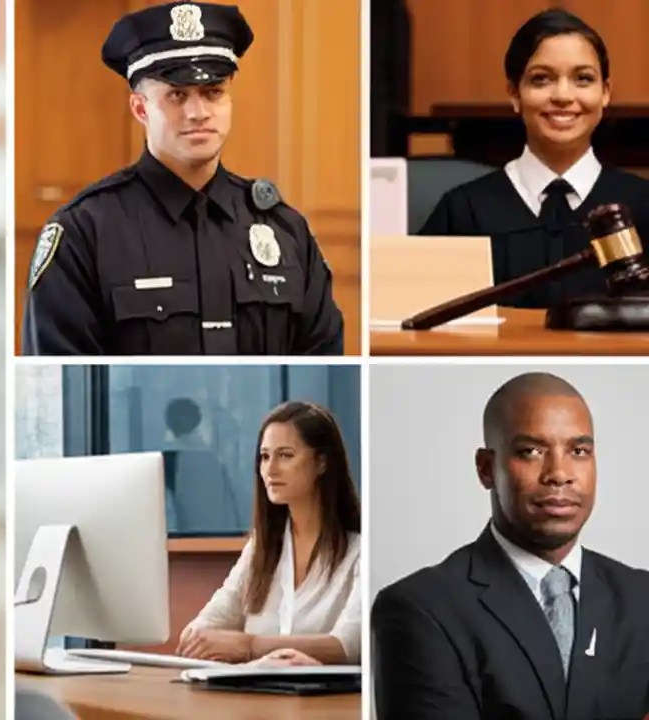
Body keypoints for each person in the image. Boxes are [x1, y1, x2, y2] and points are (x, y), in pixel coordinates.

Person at [20, 2, 343, 356]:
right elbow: (60, 370)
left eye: (213, 93)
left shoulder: (285, 229)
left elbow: (322, 355)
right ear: (141, 109)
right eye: (177, 95)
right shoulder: (84, 234)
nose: (198, 112)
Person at [372, 372, 649, 720]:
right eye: (531, 451)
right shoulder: (421, 608)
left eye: (579, 451)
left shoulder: (641, 598)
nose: (559, 473)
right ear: (486, 469)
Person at [419, 9, 649, 309]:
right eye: (541, 79)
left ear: (605, 93)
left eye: (583, 79)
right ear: (515, 94)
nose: (563, 95)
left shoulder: (643, 204)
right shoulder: (464, 211)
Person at [176, 401, 361, 665]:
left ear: (322, 462)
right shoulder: (261, 547)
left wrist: (249, 645)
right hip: (254, 698)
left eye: (285, 455)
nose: (270, 470)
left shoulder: (360, 551)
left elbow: (348, 646)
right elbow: (201, 631)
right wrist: (201, 639)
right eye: (264, 456)